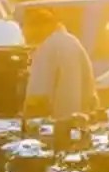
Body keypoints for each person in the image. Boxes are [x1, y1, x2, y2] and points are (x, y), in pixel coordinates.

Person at [22, 8, 97, 147]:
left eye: (28, 27)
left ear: (41, 26)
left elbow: (38, 98)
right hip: (79, 130)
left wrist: (26, 130)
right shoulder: (74, 43)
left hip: (56, 133)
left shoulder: (48, 48)